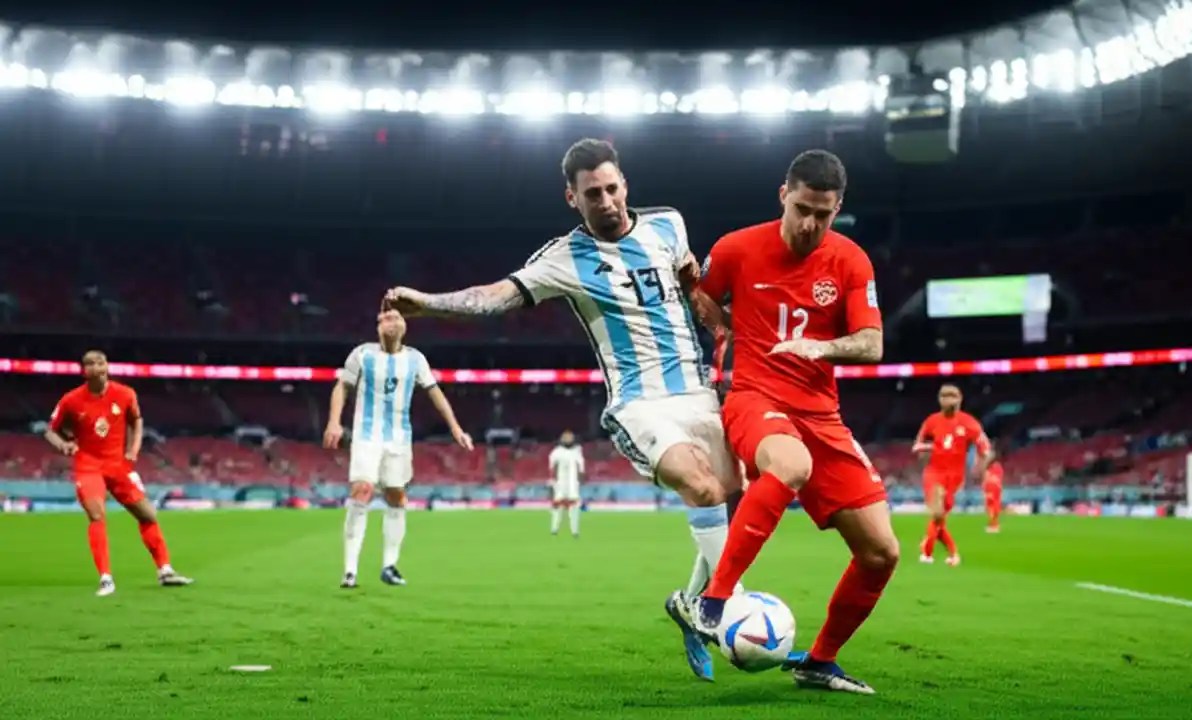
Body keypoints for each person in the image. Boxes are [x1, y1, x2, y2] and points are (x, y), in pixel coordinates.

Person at [385, 138, 740, 681]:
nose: (606, 201)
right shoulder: (564, 258)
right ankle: (737, 613)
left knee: (735, 504)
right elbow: (495, 296)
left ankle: (691, 606)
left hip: (700, 392)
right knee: (703, 487)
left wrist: (725, 329)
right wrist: (429, 305)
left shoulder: (669, 224)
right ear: (572, 198)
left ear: (626, 185)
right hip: (640, 403)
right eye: (591, 193)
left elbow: (694, 288)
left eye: (612, 188)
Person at [683, 149, 899, 694]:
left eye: (822, 215)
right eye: (802, 208)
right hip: (754, 396)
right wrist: (724, 326)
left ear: (838, 208)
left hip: (822, 414)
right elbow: (695, 298)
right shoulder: (735, 248)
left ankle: (819, 662)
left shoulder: (851, 261)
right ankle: (711, 602)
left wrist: (820, 346)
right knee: (791, 462)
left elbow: (872, 344)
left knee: (880, 552)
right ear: (784, 194)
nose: (809, 224)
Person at [323, 308, 474, 589]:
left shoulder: (415, 359)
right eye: (384, 319)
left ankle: (389, 565)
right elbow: (342, 386)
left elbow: (434, 392)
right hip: (366, 436)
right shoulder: (362, 354)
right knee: (362, 490)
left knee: (396, 496)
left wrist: (455, 427)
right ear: (377, 327)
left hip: (399, 439)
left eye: (395, 318)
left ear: (405, 326)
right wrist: (334, 422)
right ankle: (350, 570)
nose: (390, 323)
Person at [45, 350, 194, 596]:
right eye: (90, 364)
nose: (96, 367)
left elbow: (136, 420)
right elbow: (50, 430)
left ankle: (165, 571)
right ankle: (106, 578)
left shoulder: (125, 394)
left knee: (148, 515)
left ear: (107, 366)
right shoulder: (71, 400)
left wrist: (133, 449)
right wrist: (62, 444)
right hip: (88, 466)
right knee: (96, 514)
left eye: (100, 362)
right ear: (84, 371)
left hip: (118, 466)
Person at [913, 384, 993, 566]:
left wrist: (980, 466)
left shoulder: (969, 423)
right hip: (934, 473)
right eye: (944, 396)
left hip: (955, 477)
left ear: (959, 400)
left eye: (952, 396)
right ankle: (927, 553)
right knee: (937, 513)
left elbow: (986, 449)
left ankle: (951, 552)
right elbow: (917, 445)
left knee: (939, 519)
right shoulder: (932, 421)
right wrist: (931, 448)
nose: (948, 400)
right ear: (939, 400)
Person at [548, 430, 586, 538]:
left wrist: (581, 480)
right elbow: (552, 467)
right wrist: (553, 482)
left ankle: (575, 531)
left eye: (570, 437)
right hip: (560, 483)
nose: (568, 440)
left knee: (574, 508)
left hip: (573, 484)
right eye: (566, 438)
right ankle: (554, 529)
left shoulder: (577, 451)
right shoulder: (556, 452)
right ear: (562, 439)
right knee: (557, 507)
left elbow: (581, 467)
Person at [983, 458, 1004, 533]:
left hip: (992, 488)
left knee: (991, 507)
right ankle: (994, 525)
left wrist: (986, 489)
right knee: (993, 507)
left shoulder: (992, 468)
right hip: (994, 488)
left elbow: (989, 479)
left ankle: (993, 525)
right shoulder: (995, 468)